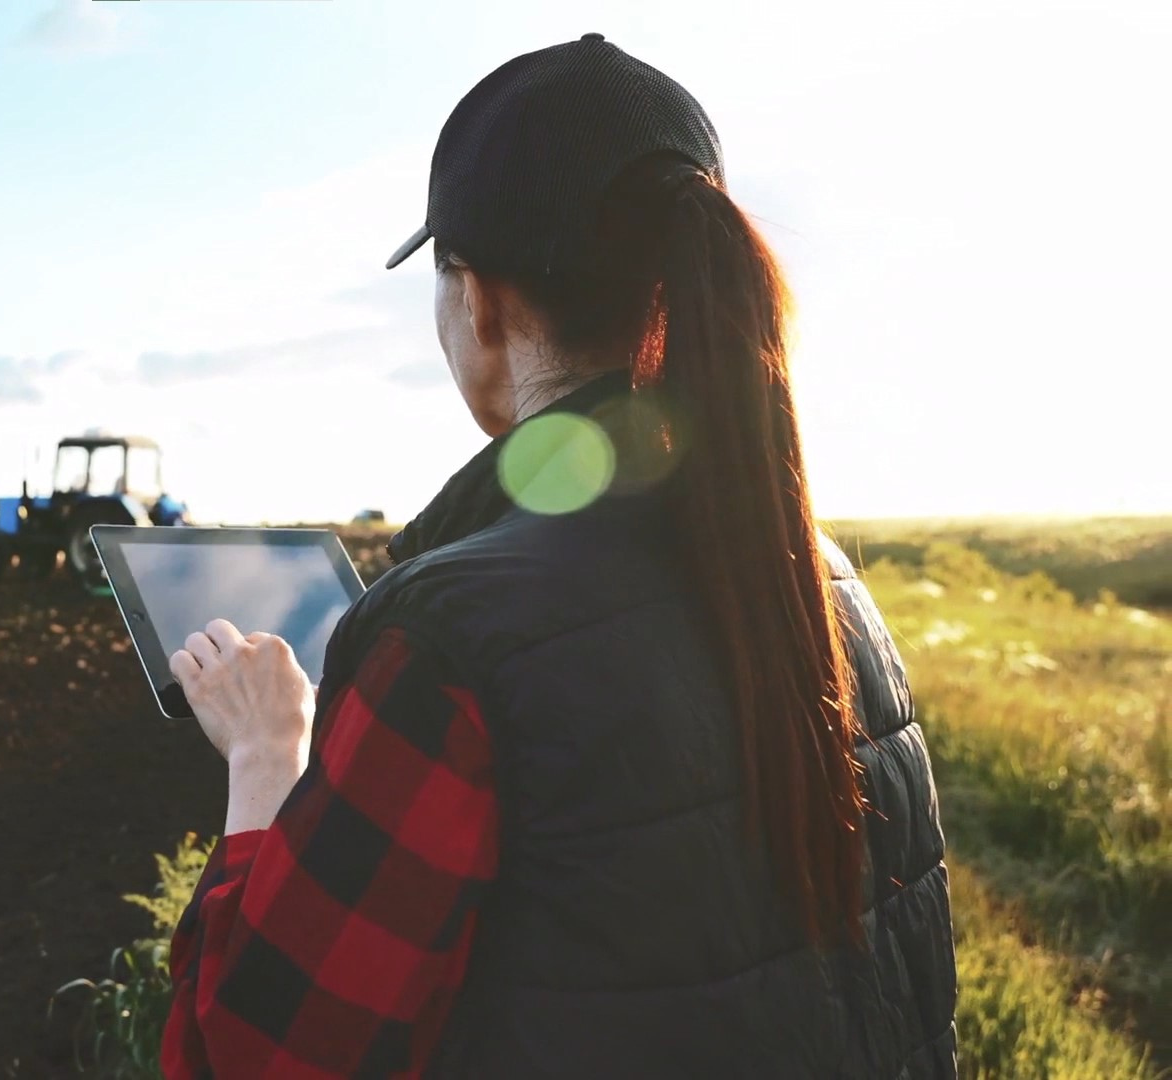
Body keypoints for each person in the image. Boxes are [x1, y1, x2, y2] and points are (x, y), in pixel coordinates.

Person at [161, 34, 954, 1079]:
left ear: (477, 301)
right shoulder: (825, 583)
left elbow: (253, 1060)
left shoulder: (450, 642)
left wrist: (267, 763)